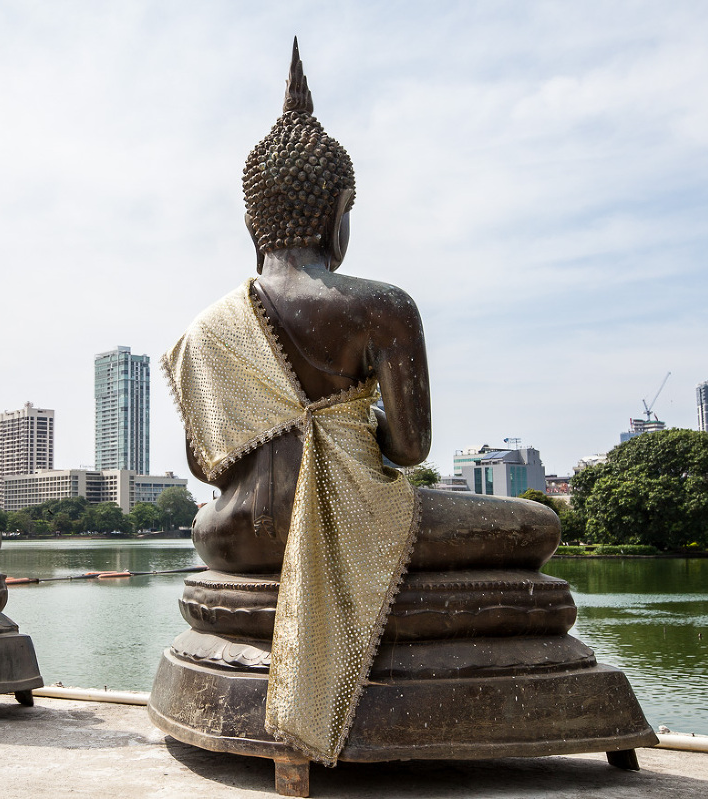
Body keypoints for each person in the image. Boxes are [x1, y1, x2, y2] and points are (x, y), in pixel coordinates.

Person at [163, 40, 557, 766]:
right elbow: (410, 449)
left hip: (236, 534)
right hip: (357, 510)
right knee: (535, 525)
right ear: (338, 215)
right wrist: (345, 423)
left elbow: (206, 464)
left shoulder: (202, 334)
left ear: (254, 224)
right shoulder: (380, 306)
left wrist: (286, 417)